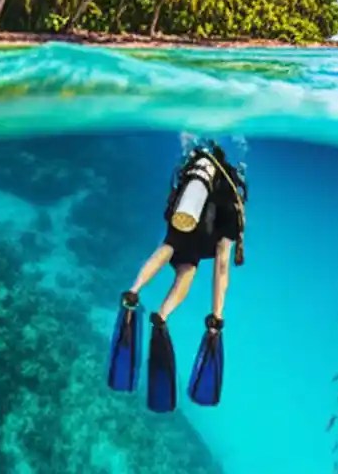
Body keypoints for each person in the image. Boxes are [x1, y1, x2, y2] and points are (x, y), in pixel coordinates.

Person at [106, 139, 248, 412]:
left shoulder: (190, 181)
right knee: (187, 272)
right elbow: (221, 266)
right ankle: (162, 316)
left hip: (182, 220)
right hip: (202, 236)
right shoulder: (231, 205)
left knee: (169, 247)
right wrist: (216, 316)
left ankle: (133, 291)